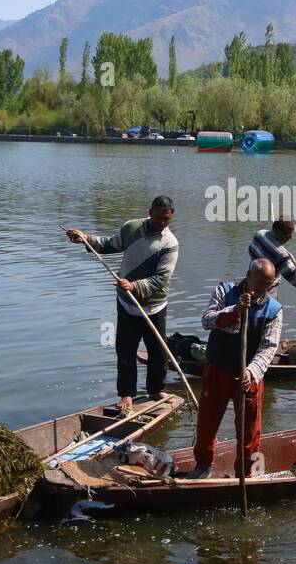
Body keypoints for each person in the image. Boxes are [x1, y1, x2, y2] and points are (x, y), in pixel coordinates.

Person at [66, 196, 179, 413]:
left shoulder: (170, 244)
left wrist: (134, 285)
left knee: (158, 352)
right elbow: (110, 244)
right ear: (150, 212)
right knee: (125, 349)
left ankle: (155, 389)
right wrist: (85, 238)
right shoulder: (131, 227)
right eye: (158, 218)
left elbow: (161, 279)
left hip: (153, 305)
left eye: (166, 220)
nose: (162, 223)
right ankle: (127, 393)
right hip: (127, 303)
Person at [182, 259, 282, 480]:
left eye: (268, 284)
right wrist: (235, 310)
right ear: (248, 276)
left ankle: (246, 474)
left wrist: (251, 371)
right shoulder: (224, 291)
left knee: (249, 431)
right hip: (218, 369)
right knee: (207, 422)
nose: (262, 289)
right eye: (259, 283)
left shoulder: (273, 309)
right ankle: (203, 466)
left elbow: (268, 348)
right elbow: (206, 321)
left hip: (248, 377)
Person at [249, 218, 296, 301]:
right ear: (279, 232)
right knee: (272, 311)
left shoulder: (259, 234)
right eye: (288, 234)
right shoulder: (281, 255)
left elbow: (250, 250)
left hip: (250, 283)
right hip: (267, 293)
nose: (291, 237)